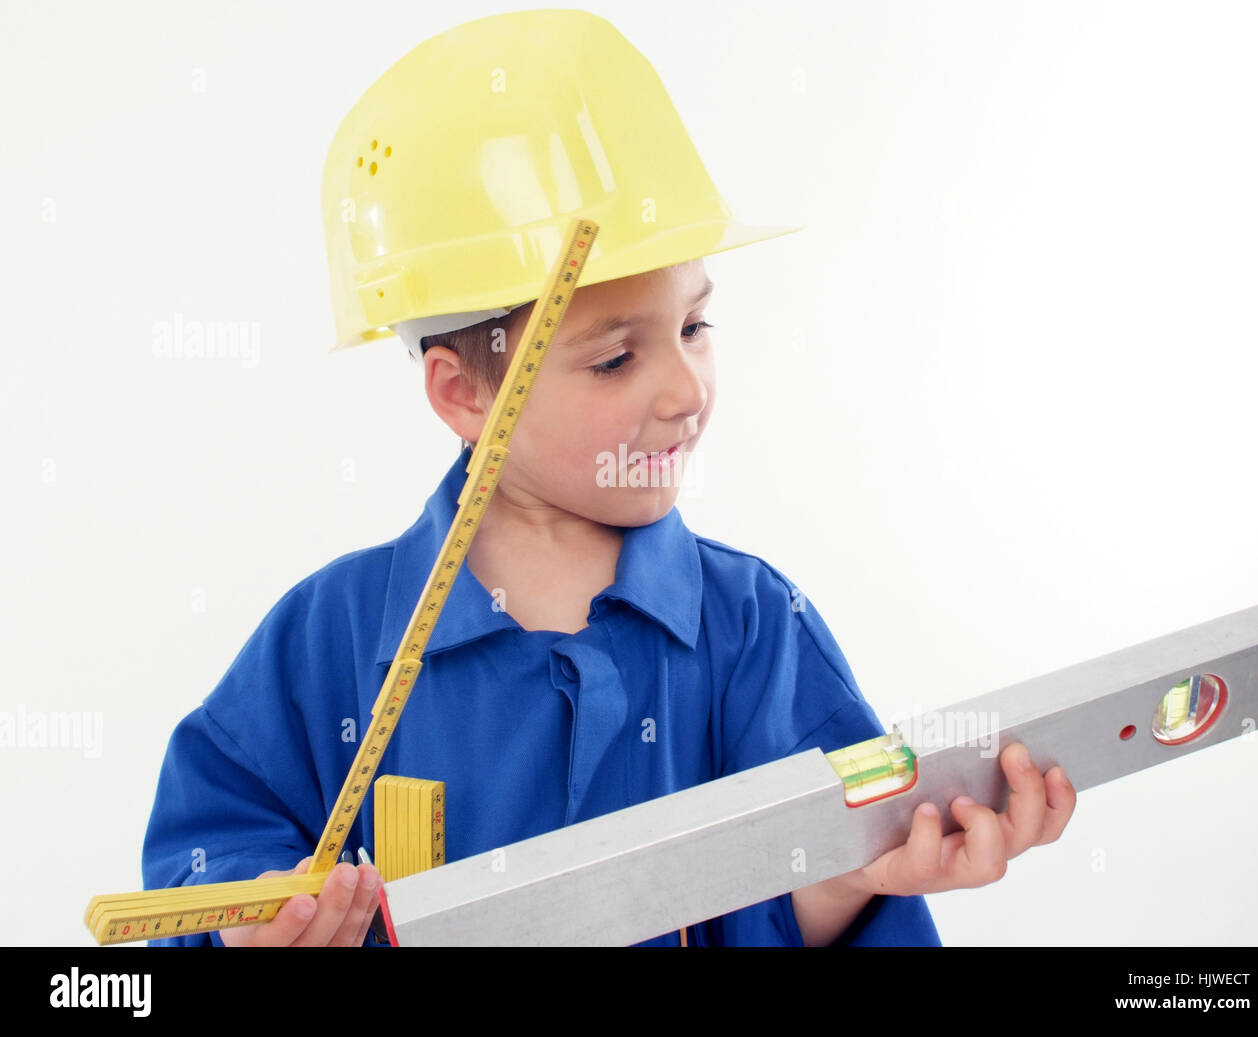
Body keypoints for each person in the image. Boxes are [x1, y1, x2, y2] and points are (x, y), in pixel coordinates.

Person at [142, 9, 1074, 948]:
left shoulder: (755, 629)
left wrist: (852, 881)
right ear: (464, 391)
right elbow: (204, 867)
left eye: (695, 327)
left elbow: (824, 881)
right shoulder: (329, 640)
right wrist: (245, 928)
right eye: (615, 358)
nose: (683, 389)